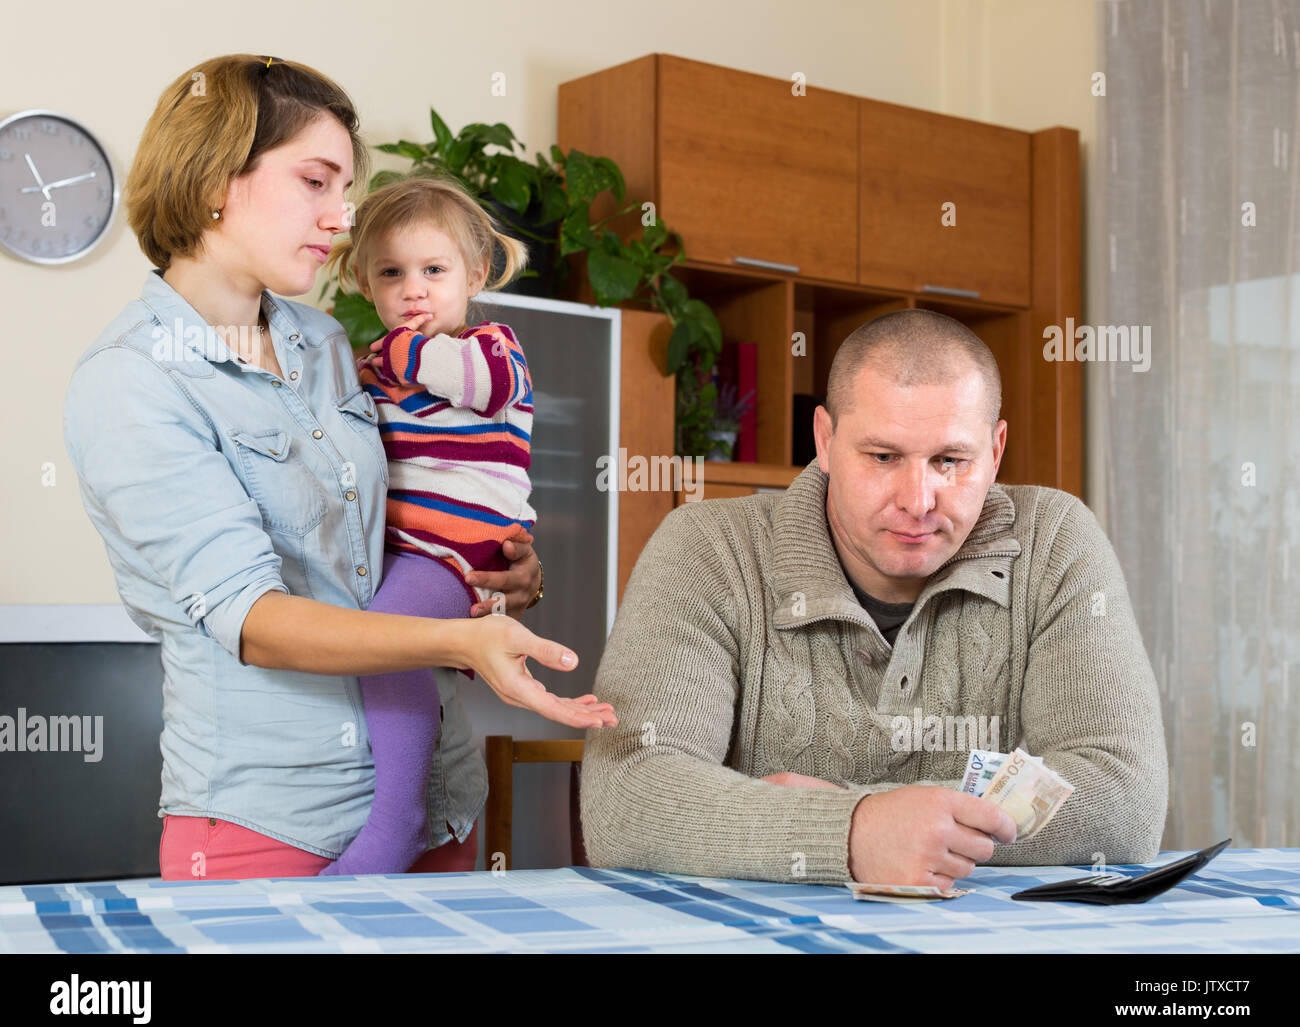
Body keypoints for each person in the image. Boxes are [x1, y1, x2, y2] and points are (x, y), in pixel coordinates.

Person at [61, 54, 613, 882]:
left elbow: (401, 524)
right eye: (316, 182)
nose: (341, 217)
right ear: (217, 176)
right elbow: (253, 618)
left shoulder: (325, 345)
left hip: (440, 800)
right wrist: (458, 635)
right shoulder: (132, 380)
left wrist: (501, 575)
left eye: (344, 190)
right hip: (280, 825)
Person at [580, 307, 1169, 889]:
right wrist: (860, 831)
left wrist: (854, 820)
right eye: (883, 457)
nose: (918, 500)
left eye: (951, 461)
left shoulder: (1057, 540)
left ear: (996, 450)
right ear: (826, 441)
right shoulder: (704, 549)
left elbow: (1124, 801)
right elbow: (627, 797)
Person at [316, 175, 557, 875]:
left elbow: (475, 385)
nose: (413, 290)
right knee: (392, 651)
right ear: (365, 281)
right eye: (391, 273)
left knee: (385, 650)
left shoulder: (491, 347)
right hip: (409, 549)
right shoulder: (370, 369)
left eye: (433, 270)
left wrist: (394, 354)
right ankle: (397, 815)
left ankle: (395, 823)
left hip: (458, 551)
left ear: (476, 274)